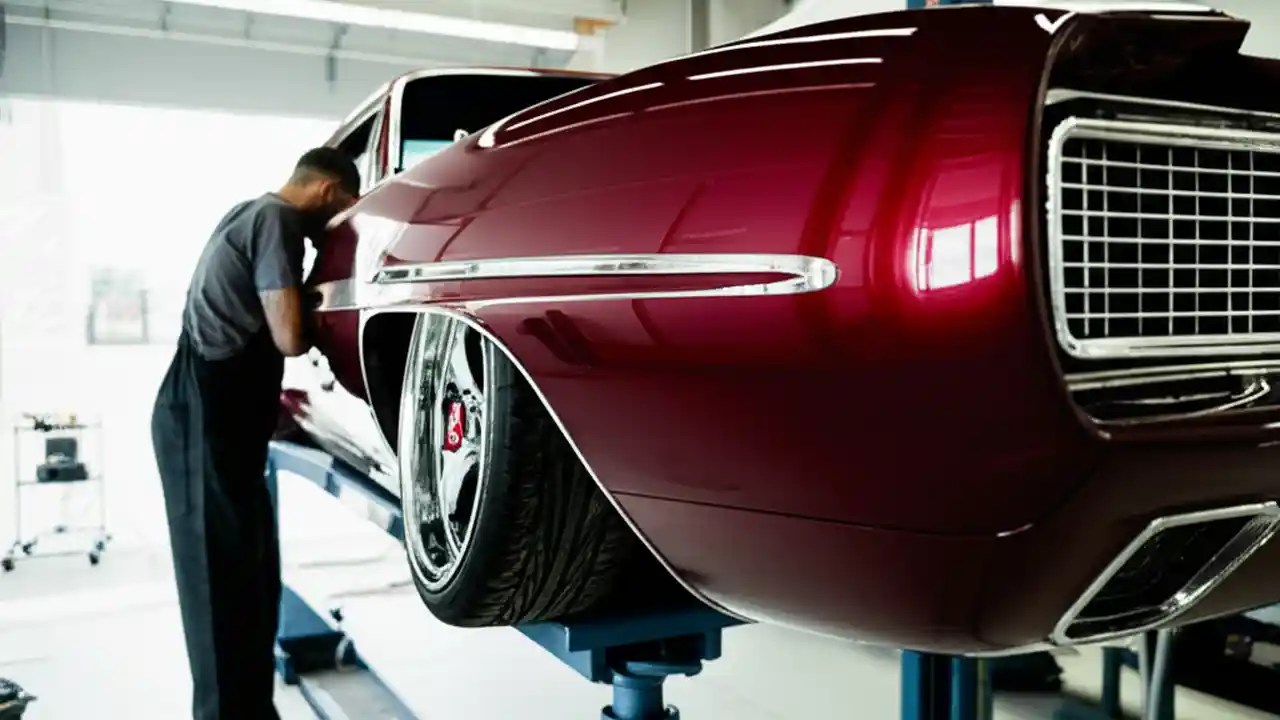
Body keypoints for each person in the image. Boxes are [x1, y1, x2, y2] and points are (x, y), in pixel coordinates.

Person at [151, 147, 359, 719]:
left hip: (217, 418)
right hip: (201, 418)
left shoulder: (248, 211)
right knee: (219, 583)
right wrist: (331, 314)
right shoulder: (278, 221)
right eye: (345, 206)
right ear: (326, 191)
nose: (338, 226)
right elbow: (289, 335)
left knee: (249, 574)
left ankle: (250, 710)